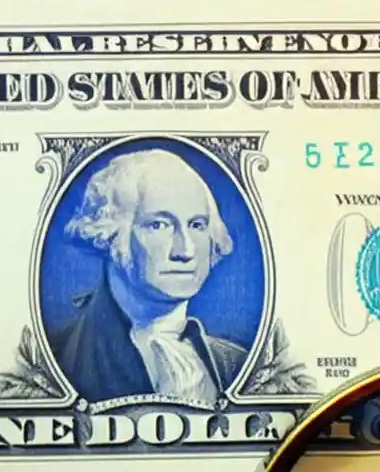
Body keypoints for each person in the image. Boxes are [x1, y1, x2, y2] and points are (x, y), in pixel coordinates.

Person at [48, 148, 247, 405]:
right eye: (158, 225)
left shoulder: (236, 364)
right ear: (109, 234)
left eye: (197, 225)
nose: (185, 251)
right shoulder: (58, 361)